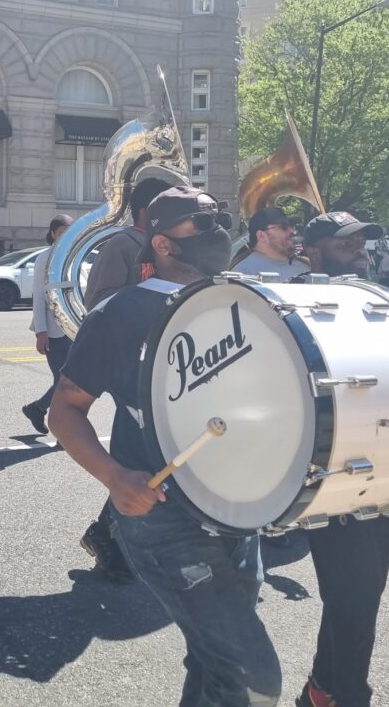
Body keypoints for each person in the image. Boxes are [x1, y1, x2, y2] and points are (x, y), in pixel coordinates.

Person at [50, 187, 281, 707]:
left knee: (213, 658)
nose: (218, 233)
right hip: (161, 516)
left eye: (219, 220)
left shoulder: (244, 302)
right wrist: (113, 477)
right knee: (251, 673)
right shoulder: (119, 312)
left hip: (237, 509)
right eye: (202, 225)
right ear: (162, 243)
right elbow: (64, 410)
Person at [295, 212, 389, 707]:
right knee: (354, 599)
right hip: (325, 471)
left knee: (361, 596)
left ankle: (322, 686)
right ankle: (349, 695)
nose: (358, 248)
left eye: (361, 240)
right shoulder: (290, 305)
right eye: (344, 243)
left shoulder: (382, 303)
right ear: (311, 252)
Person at [77, 177, 174, 582]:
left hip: (169, 361)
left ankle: (112, 532)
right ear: (149, 212)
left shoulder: (176, 249)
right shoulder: (121, 246)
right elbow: (97, 300)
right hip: (132, 365)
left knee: (156, 455)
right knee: (140, 456)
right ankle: (105, 534)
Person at [82, 177, 173, 310]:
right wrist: (151, 295)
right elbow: (97, 301)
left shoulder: (172, 242)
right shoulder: (121, 244)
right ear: (145, 212)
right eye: (166, 208)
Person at [21, 214, 73, 436]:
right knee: (63, 382)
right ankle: (63, 432)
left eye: (68, 233)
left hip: (74, 328)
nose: (64, 237)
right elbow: (38, 297)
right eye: (60, 233)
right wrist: (41, 331)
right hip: (52, 330)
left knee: (71, 381)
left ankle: (38, 408)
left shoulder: (76, 254)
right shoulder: (45, 258)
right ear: (52, 234)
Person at [232, 206, 303, 280]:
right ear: (261, 236)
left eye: (292, 226)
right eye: (283, 227)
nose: (292, 231)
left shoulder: (306, 266)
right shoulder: (242, 273)